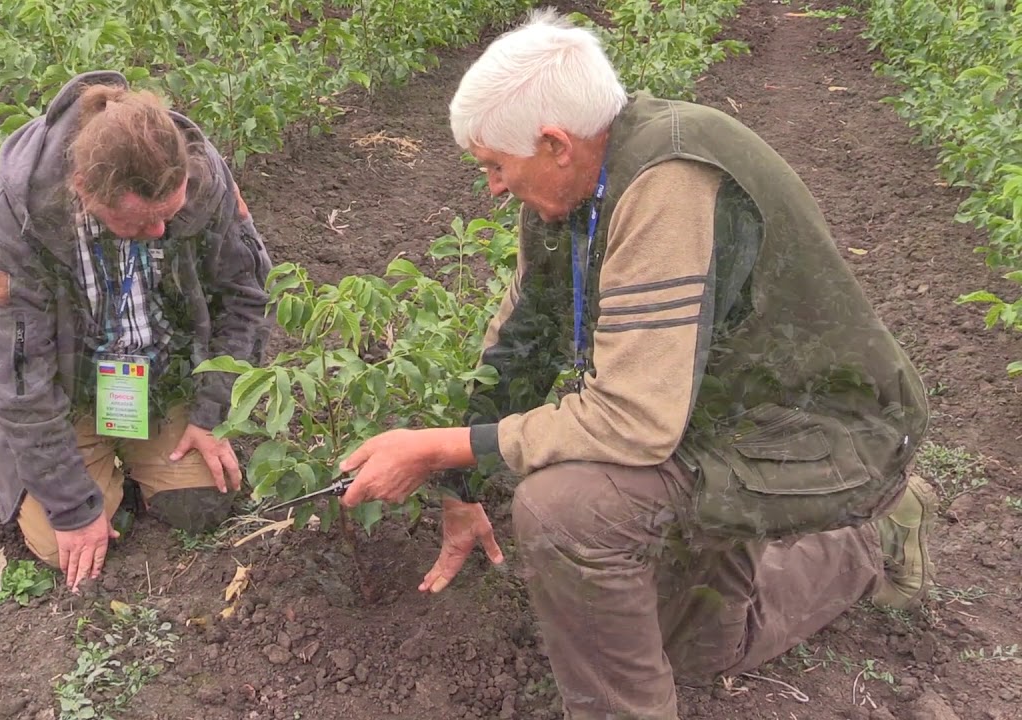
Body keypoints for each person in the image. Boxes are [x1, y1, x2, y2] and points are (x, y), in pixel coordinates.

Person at [338, 10, 936, 719]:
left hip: (817, 432)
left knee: (566, 511)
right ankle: (873, 539)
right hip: (717, 419)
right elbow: (519, 341)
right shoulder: (574, 194)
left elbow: (633, 419)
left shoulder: (669, 179)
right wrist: (461, 488)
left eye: (496, 165)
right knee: (700, 651)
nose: (493, 187)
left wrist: (437, 446)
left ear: (554, 143)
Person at [0, 71, 273, 592]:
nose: (159, 231)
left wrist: (210, 412)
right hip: (72, 395)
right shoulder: (15, 219)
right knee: (56, 540)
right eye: (138, 223)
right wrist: (71, 506)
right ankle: (96, 472)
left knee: (203, 504)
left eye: (169, 215)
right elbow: (18, 379)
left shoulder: (203, 175)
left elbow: (245, 297)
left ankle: (138, 463)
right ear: (86, 190)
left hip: (162, 374)